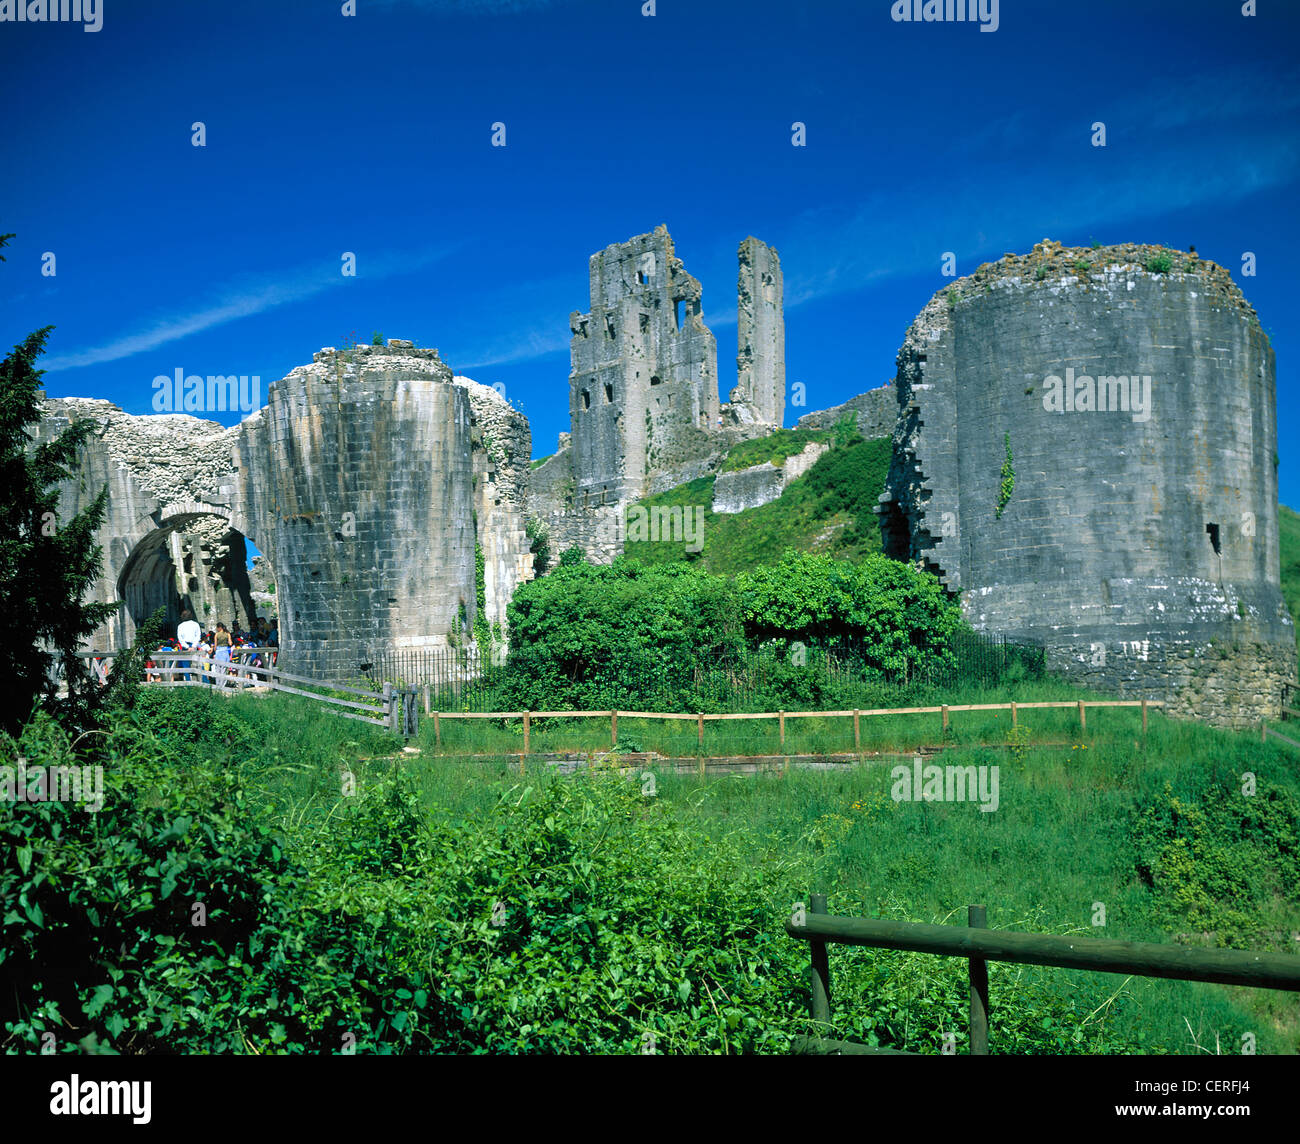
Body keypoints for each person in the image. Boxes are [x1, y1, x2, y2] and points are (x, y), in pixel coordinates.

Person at [176, 610, 202, 682]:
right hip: (193, 645)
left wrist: (187, 647)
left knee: (186, 665)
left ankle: (188, 681)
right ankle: (202, 681)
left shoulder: (180, 626)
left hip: (185, 646)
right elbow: (198, 636)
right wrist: (193, 646)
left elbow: (180, 638)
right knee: (198, 664)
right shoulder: (196, 624)